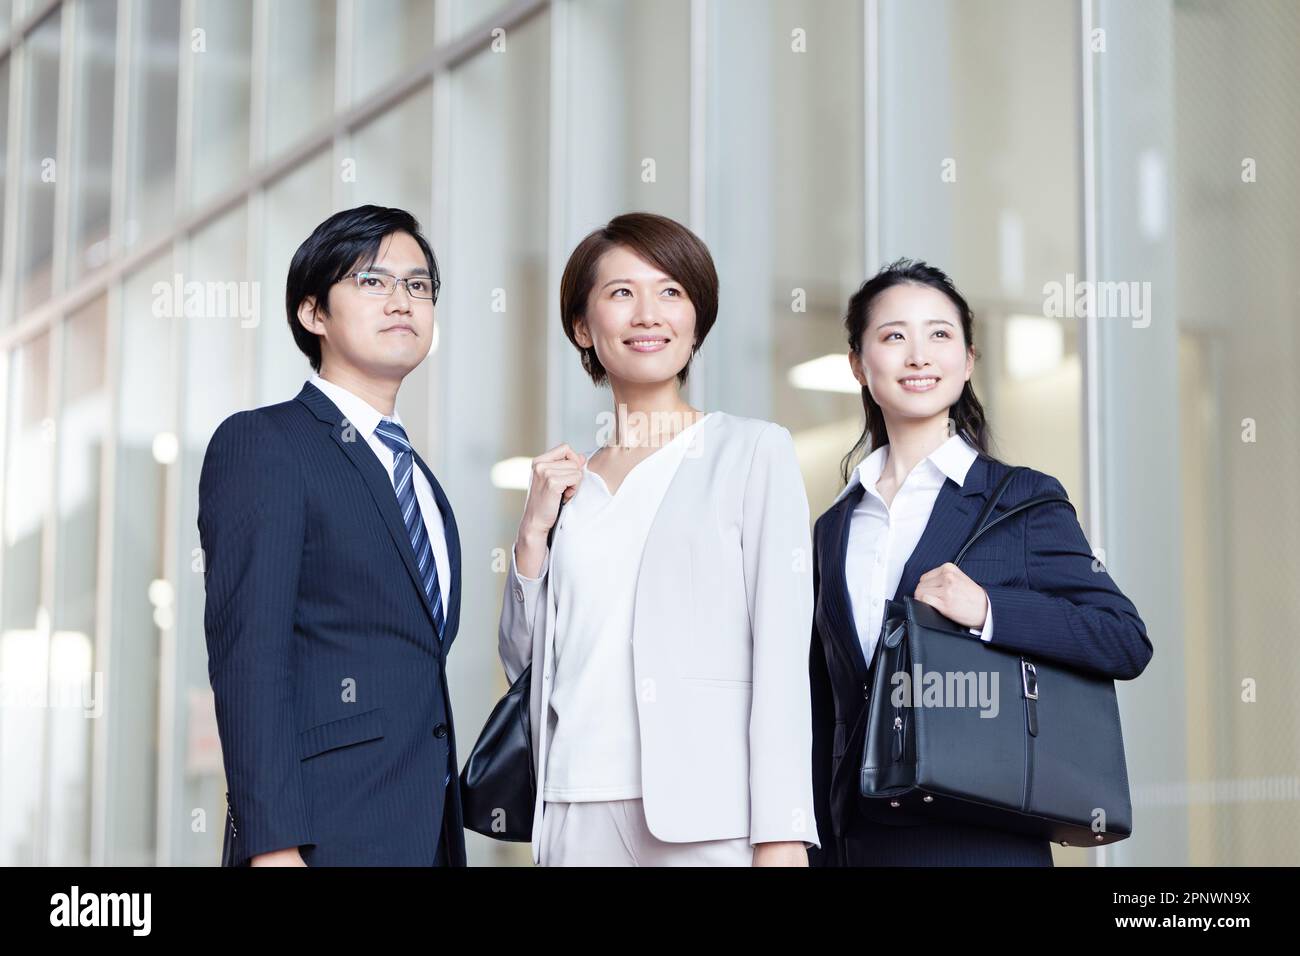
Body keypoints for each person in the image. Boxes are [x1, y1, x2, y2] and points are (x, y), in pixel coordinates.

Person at [498, 212, 819, 866]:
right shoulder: (567, 487)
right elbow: (525, 665)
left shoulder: (752, 452)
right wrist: (532, 533)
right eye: (622, 294)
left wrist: (781, 834)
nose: (648, 313)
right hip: (573, 805)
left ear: (696, 320)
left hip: (706, 816)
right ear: (584, 328)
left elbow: (784, 659)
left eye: (671, 291)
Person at [809, 258, 1153, 866]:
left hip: (978, 845)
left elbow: (1124, 640)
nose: (919, 355)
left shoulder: (1021, 500)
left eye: (940, 335)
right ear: (858, 366)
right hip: (854, 849)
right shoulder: (835, 526)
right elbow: (826, 710)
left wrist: (990, 610)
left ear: (967, 362)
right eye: (894, 336)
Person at [199, 205, 465, 866]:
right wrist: (273, 847)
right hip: (321, 838)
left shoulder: (423, 483)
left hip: (423, 837)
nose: (402, 300)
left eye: (419, 285)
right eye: (372, 282)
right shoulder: (265, 443)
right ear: (313, 314)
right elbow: (249, 660)